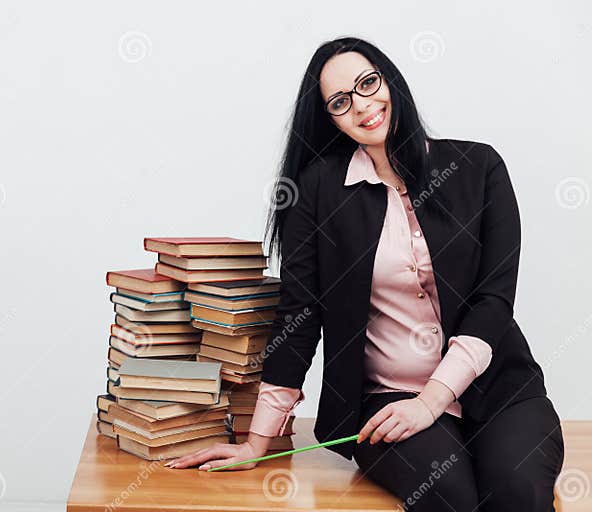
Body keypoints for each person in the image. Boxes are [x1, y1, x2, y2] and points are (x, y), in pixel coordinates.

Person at [165, 37, 564, 511]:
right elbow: (300, 314)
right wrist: (257, 440)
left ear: (390, 80)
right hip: (388, 400)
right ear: (330, 118)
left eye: (368, 83)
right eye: (340, 101)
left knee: (517, 492)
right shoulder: (318, 190)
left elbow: (493, 301)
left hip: (499, 387)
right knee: (448, 496)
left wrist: (434, 399)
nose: (363, 105)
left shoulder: (478, 167)